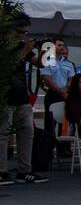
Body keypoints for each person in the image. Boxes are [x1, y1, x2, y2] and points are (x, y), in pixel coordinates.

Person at [0, 15, 48, 185]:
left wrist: (44, 51)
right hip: (4, 96)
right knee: (3, 134)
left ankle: (25, 170)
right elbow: (7, 66)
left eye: (26, 32)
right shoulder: (4, 46)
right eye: (20, 32)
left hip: (22, 96)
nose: (22, 35)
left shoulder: (22, 45)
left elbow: (40, 64)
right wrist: (25, 51)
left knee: (27, 132)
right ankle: (2, 171)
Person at [39, 37, 76, 139]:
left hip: (65, 94)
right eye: (59, 45)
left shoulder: (69, 64)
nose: (62, 47)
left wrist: (65, 89)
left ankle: (63, 149)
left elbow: (70, 79)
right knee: (50, 123)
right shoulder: (47, 61)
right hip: (53, 94)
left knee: (64, 122)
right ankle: (48, 149)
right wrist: (59, 90)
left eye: (63, 45)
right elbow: (47, 79)